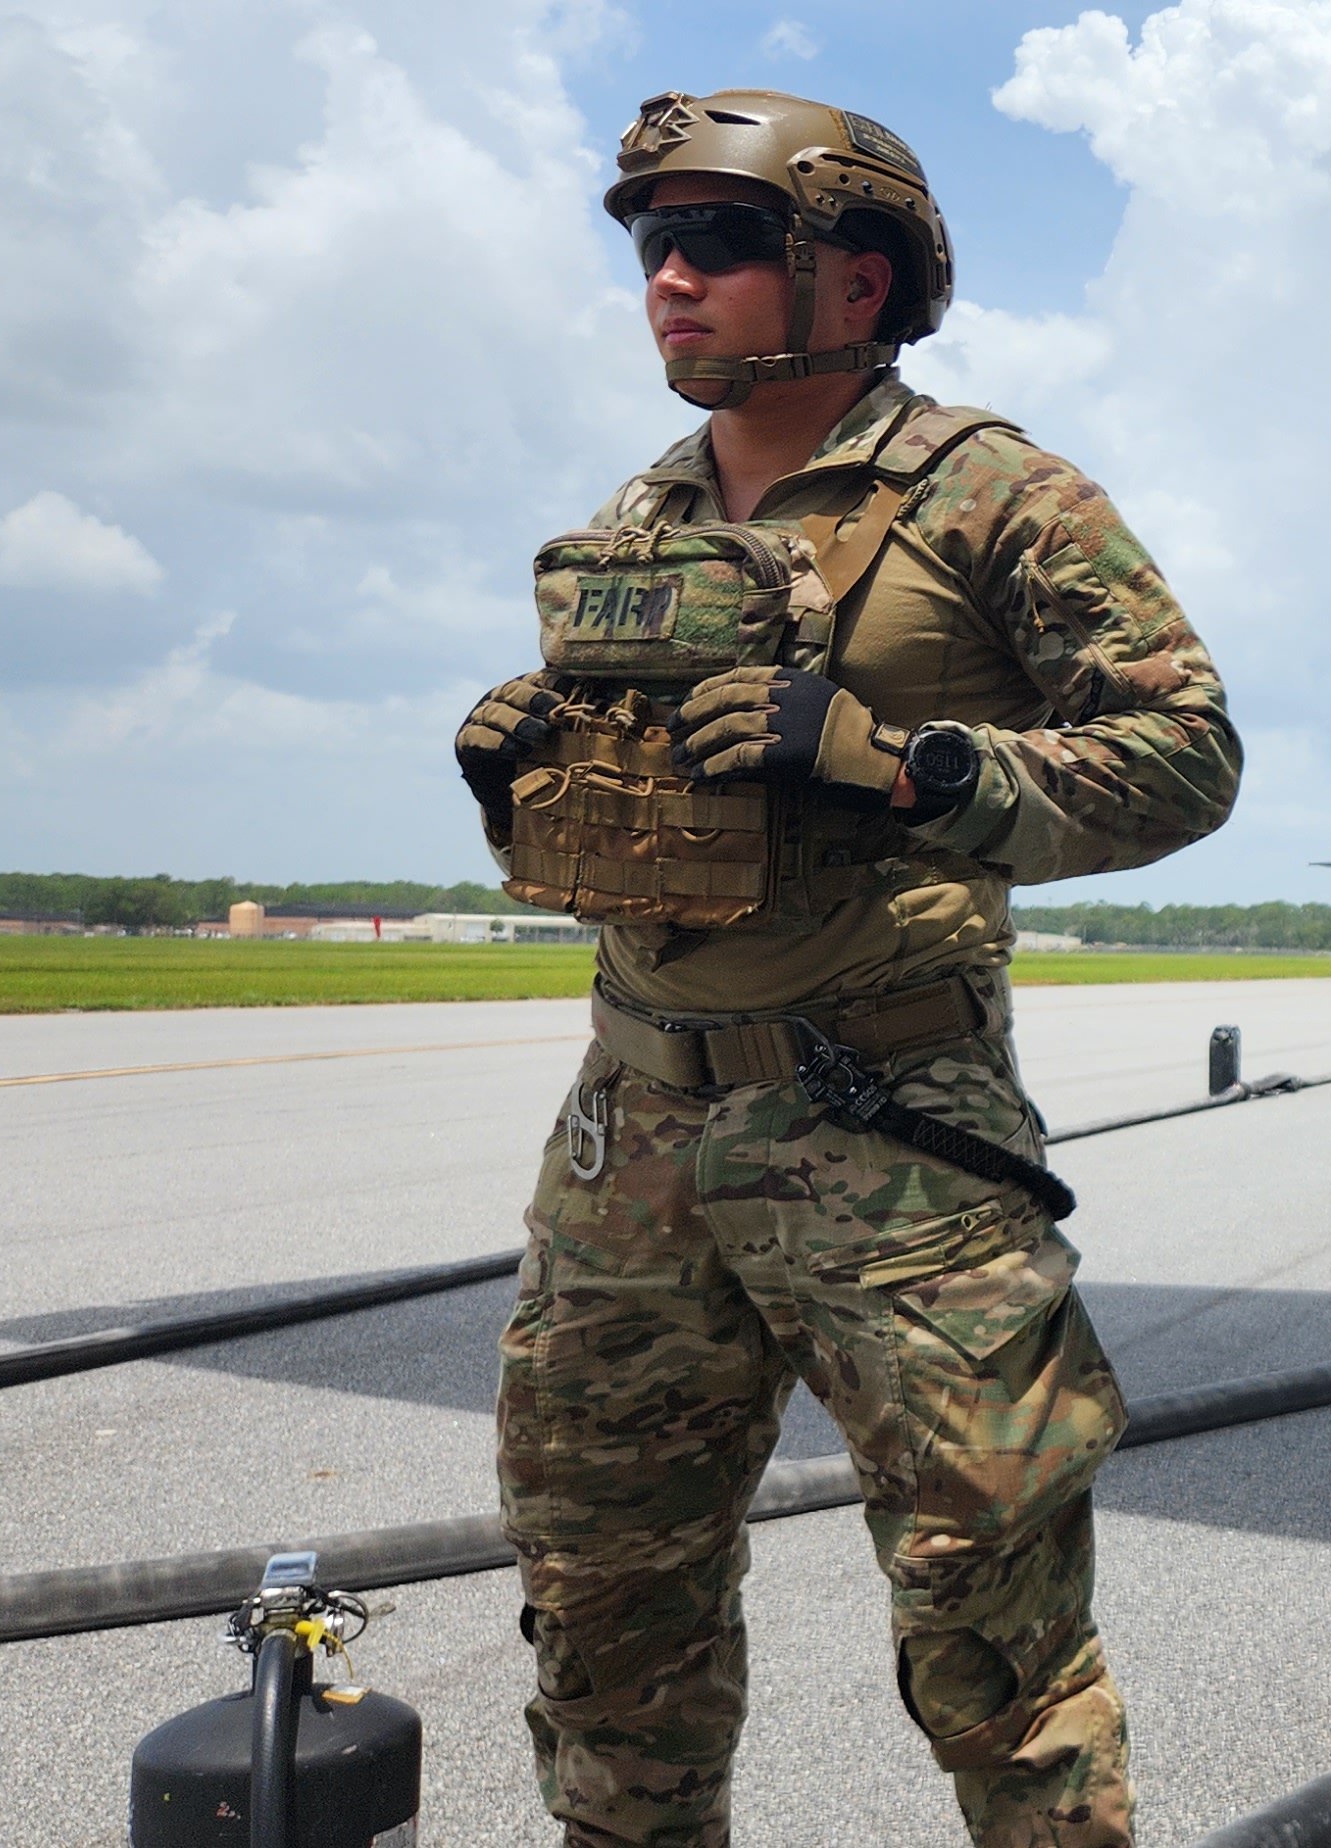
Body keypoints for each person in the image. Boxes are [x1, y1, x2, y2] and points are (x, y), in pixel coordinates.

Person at [450, 89, 1236, 1848]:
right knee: (602, 1610)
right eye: (653, 246)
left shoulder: (996, 495)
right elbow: (649, 816)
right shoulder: (644, 511)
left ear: (856, 281)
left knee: (990, 1628)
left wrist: (909, 765)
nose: (669, 279)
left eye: (719, 243)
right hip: (634, 1132)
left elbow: (1185, 759)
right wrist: (526, 778)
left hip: (890, 1133)